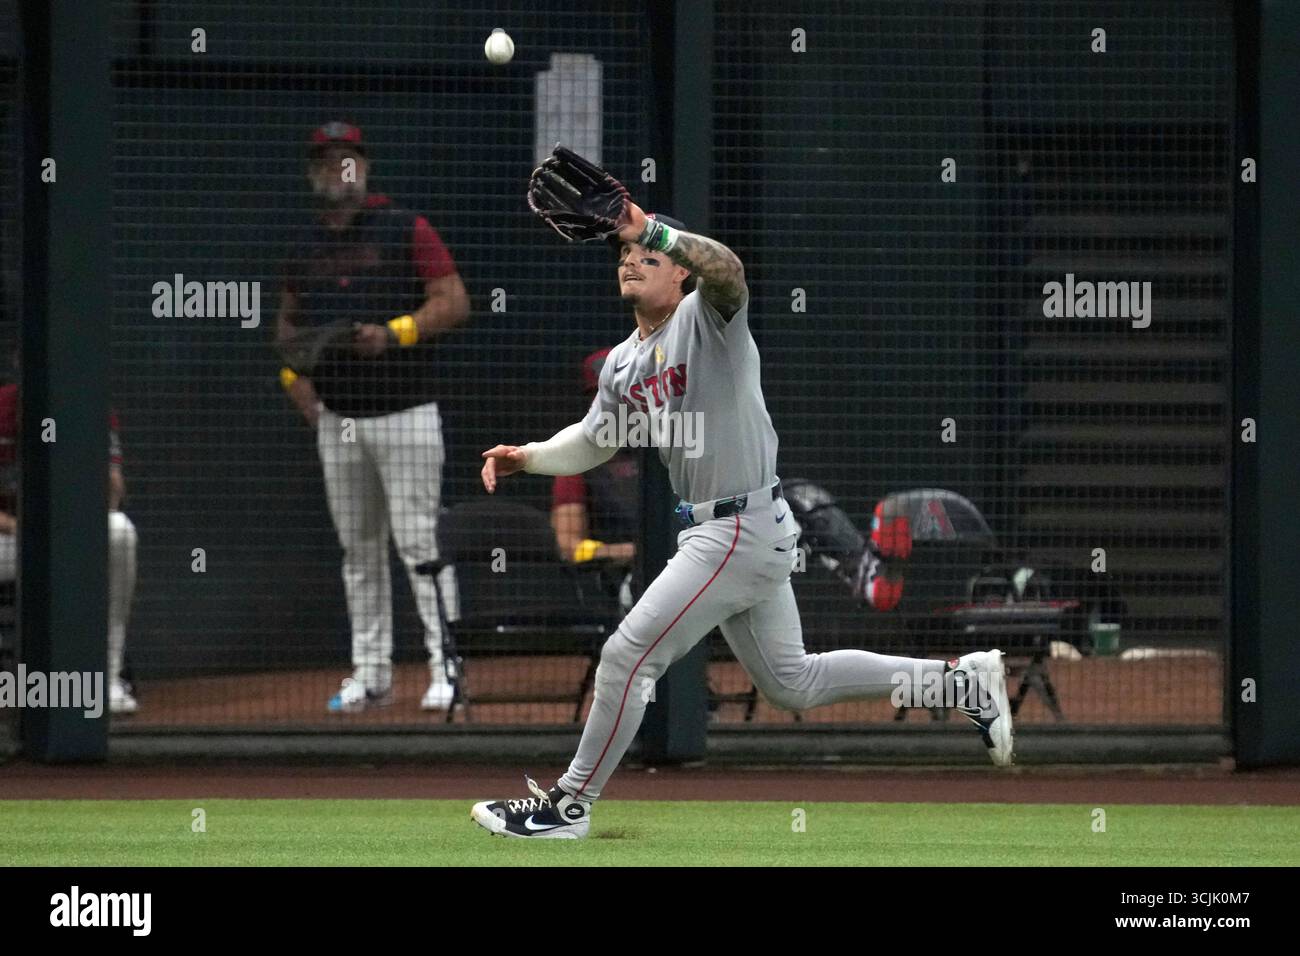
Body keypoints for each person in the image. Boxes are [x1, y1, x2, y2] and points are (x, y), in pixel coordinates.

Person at [471, 161, 1014, 839]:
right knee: (794, 683)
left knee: (627, 656)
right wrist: (531, 458)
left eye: (647, 253)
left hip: (735, 527)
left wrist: (652, 228)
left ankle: (568, 806)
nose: (632, 259)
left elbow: (727, 268)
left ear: (678, 273)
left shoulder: (709, 319)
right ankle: (961, 684)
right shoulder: (621, 362)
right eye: (624, 251)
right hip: (728, 530)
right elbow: (595, 439)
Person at [276, 122, 470, 713]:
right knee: (357, 549)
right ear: (313, 174)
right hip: (340, 419)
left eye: (348, 160)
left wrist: (393, 333)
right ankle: (371, 674)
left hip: (406, 412)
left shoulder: (405, 227)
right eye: (326, 162)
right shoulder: (304, 244)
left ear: (365, 168)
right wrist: (297, 385)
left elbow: (453, 301)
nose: (338, 170)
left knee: (418, 541)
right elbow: (285, 332)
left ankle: (447, 669)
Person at [0, 383, 139, 714]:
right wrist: (23, 529)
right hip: (8, 538)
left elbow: (112, 498)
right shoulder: (3, 407)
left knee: (119, 531)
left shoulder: (93, 407)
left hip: (67, 537)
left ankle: (106, 680)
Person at [550, 348, 639, 611]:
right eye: (600, 398)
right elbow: (568, 546)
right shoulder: (575, 460)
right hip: (618, 581)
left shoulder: (670, 448)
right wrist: (629, 553)